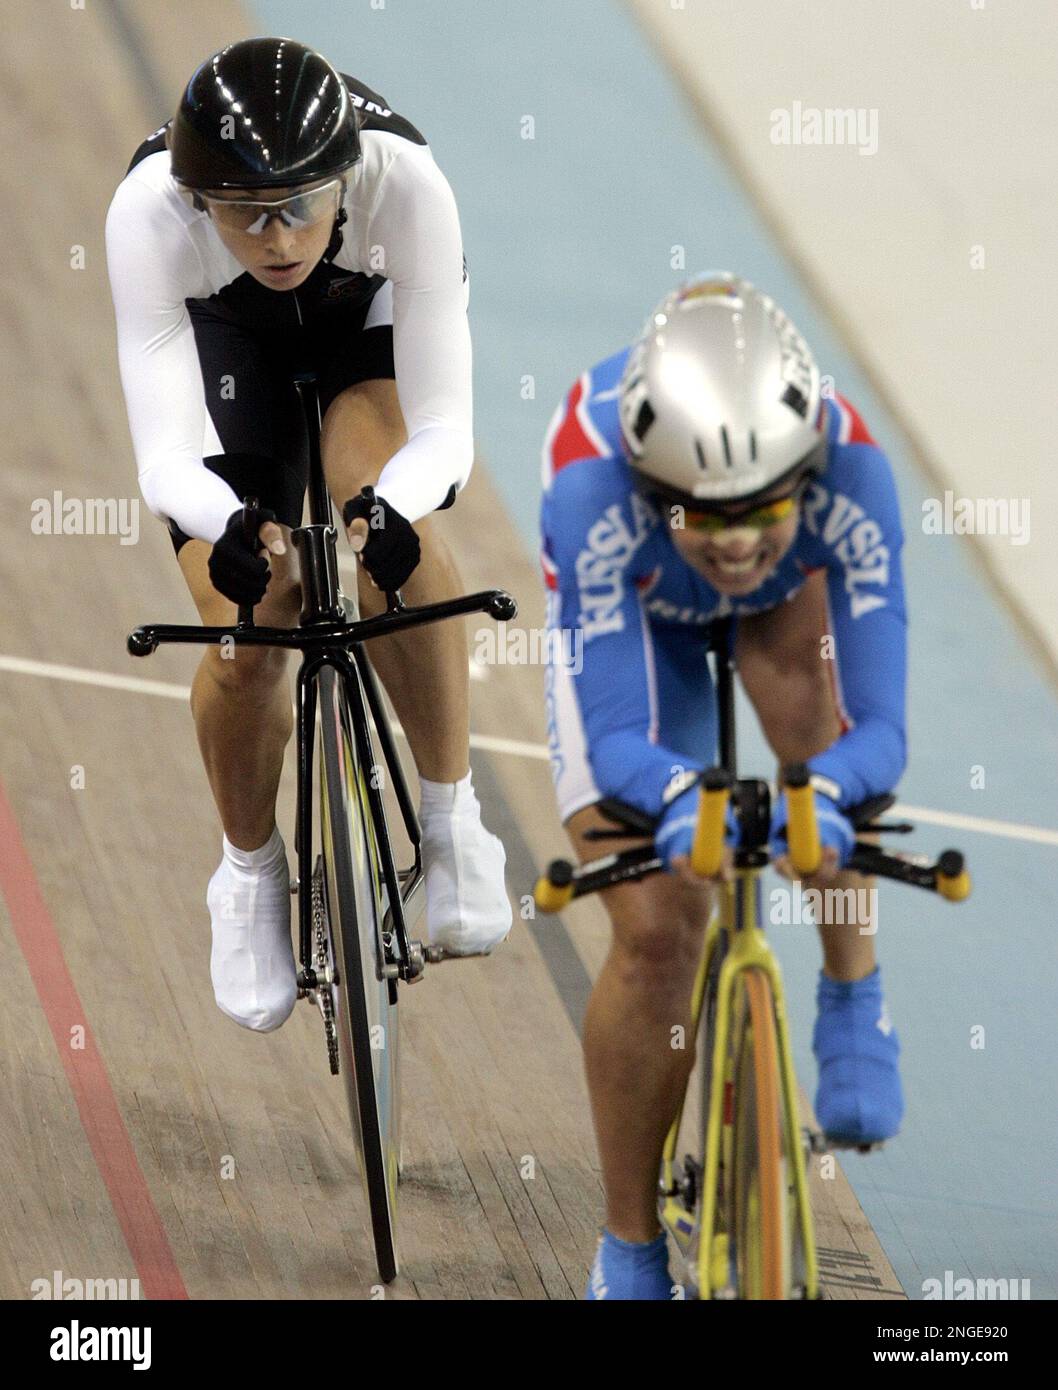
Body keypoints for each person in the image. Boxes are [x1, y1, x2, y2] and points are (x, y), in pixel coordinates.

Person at [105, 37, 510, 1034]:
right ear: (200, 201)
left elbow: (447, 430)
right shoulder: (148, 215)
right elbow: (166, 455)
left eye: (298, 204)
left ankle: (455, 822)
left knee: (385, 541)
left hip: (357, 323)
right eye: (245, 211)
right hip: (226, 345)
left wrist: (388, 509)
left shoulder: (406, 184)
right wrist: (229, 525)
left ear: (345, 178)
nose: (278, 235)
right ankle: (247, 872)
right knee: (247, 627)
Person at [540, 272, 906, 1299]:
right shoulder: (588, 487)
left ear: (808, 471)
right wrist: (672, 799)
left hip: (790, 608)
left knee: (812, 757)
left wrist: (825, 793)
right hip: (640, 624)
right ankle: (627, 1243)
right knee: (658, 926)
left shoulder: (854, 473)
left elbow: (876, 726)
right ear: (652, 490)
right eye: (705, 512)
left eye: (763, 506)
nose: (738, 537)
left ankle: (851, 994)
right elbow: (615, 735)